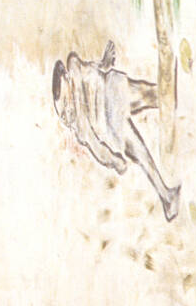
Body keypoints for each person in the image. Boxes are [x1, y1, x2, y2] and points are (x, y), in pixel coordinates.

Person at [52, 40, 181, 221]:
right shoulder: (78, 122)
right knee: (141, 153)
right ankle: (167, 197)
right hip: (111, 122)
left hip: (113, 90)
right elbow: (96, 146)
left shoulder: (75, 67)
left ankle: (184, 93)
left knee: (155, 94)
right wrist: (114, 160)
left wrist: (105, 62)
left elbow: (95, 68)